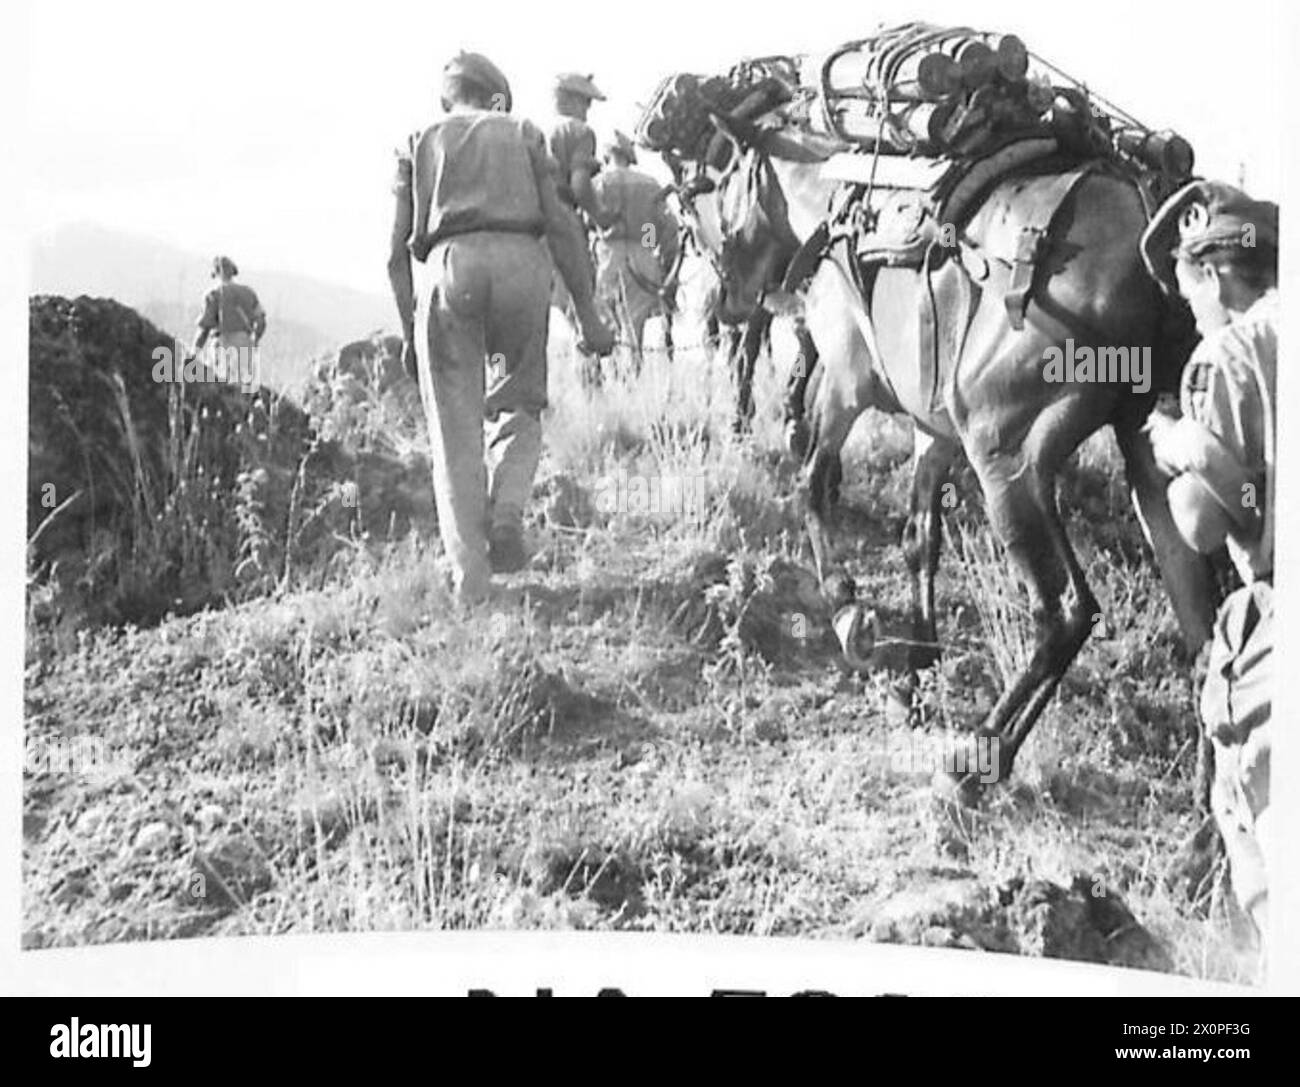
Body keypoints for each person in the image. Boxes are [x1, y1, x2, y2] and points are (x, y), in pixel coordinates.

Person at [387, 52, 614, 607]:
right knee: (520, 404)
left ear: (447, 98)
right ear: (497, 99)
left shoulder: (418, 140)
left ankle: (471, 581)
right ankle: (508, 508)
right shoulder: (523, 132)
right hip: (522, 264)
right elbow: (561, 224)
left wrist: (407, 330)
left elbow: (394, 254)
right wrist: (588, 313)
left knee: (455, 431)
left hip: (450, 264)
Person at [1140, 179, 1278, 948]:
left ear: (1216, 272)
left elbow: (1201, 524)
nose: (1191, 309)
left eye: (1189, 288)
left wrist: (1180, 452)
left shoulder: (1232, 353)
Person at [591, 130, 680, 372]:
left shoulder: (596, 183)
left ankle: (596, 385)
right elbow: (669, 228)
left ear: (608, 154)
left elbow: (584, 224)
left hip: (607, 258)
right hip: (643, 257)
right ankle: (631, 388)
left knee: (600, 325)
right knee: (634, 329)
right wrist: (661, 258)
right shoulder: (650, 184)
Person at [548, 72, 607, 385]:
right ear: (569, 99)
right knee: (582, 314)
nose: (588, 109)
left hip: (526, 229)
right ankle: (590, 394)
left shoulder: (531, 131)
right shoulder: (581, 131)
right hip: (562, 221)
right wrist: (601, 217)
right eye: (585, 102)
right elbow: (580, 186)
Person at [190, 255, 266, 384]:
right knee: (243, 388)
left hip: (223, 344)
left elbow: (204, 330)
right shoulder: (249, 292)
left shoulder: (213, 294)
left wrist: (193, 354)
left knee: (222, 386)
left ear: (216, 273)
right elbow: (261, 322)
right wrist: (254, 340)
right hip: (245, 344)